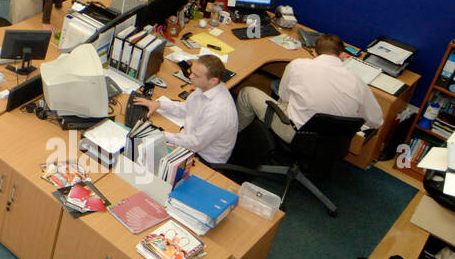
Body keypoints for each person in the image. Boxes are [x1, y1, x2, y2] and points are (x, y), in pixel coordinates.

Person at [236, 34, 383, 144]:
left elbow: (284, 97)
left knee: (247, 93)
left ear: (314, 52)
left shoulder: (298, 65)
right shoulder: (358, 83)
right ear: (343, 56)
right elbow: (376, 121)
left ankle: (236, 138)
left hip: (295, 134)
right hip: (333, 143)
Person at [140, 55, 238, 164]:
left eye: (196, 75)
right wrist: (158, 105)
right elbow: (187, 108)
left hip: (202, 158)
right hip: (191, 139)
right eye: (191, 72)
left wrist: (161, 135)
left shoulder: (218, 111)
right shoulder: (206, 88)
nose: (190, 76)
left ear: (213, 80)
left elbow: (195, 144)